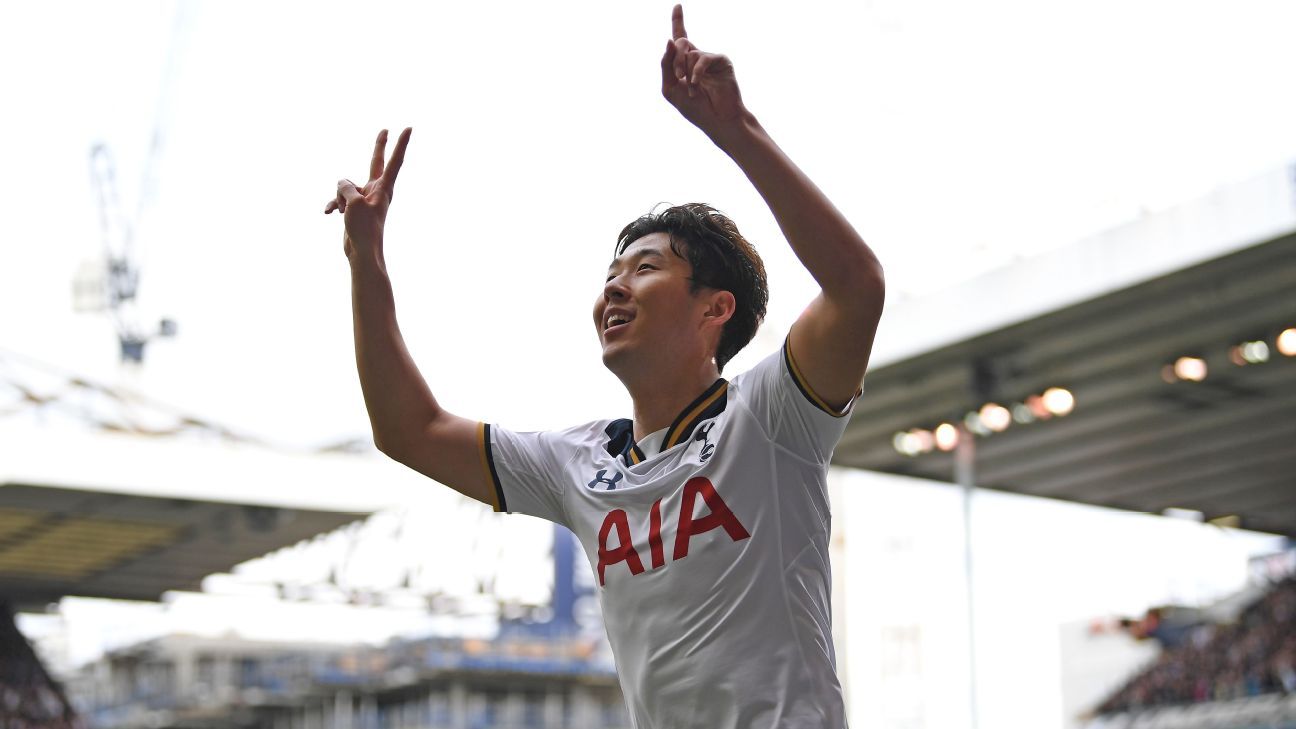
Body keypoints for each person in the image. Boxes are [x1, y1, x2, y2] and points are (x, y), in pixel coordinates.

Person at [325, 6, 884, 727]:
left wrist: (735, 130)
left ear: (716, 309)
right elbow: (410, 428)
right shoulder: (576, 463)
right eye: (611, 272)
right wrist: (365, 264)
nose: (614, 287)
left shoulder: (774, 417)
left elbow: (856, 287)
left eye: (645, 268)